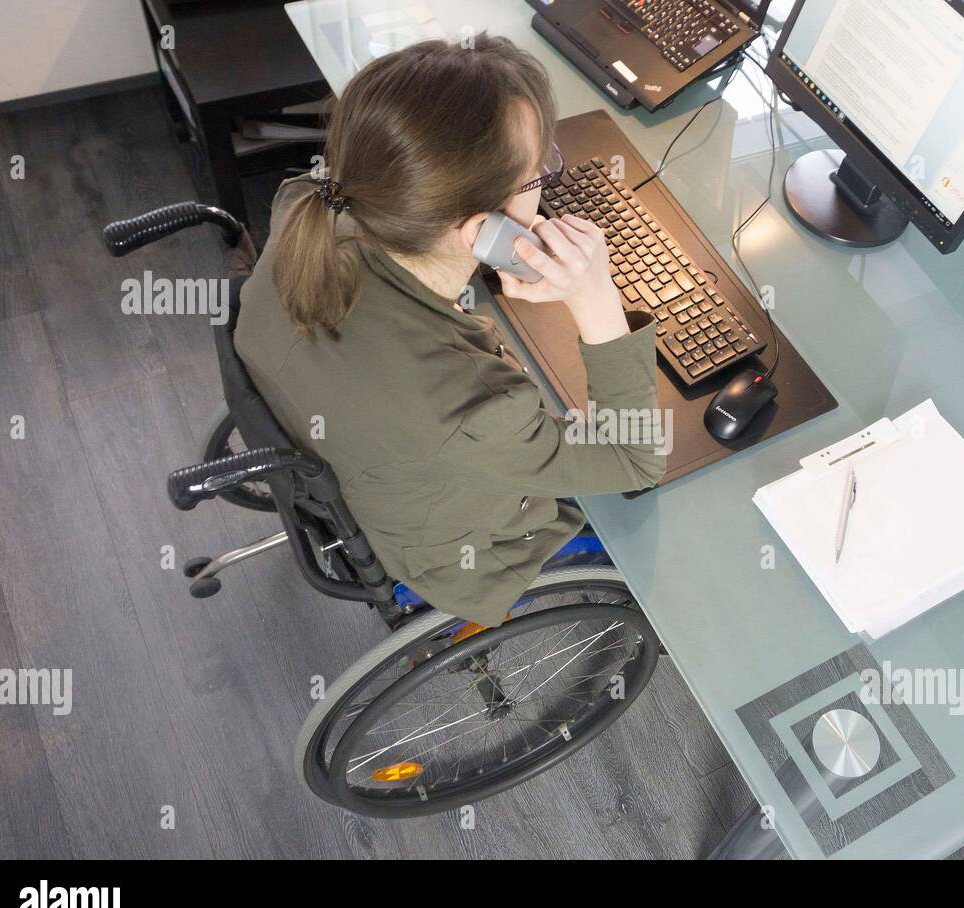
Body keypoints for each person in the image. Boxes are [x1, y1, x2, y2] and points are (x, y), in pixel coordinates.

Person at [235, 35, 666, 627]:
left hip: (355, 440)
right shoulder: (478, 407)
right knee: (680, 499)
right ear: (480, 231)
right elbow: (635, 459)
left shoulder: (305, 204)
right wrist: (597, 300)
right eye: (536, 172)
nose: (545, 177)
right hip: (460, 548)